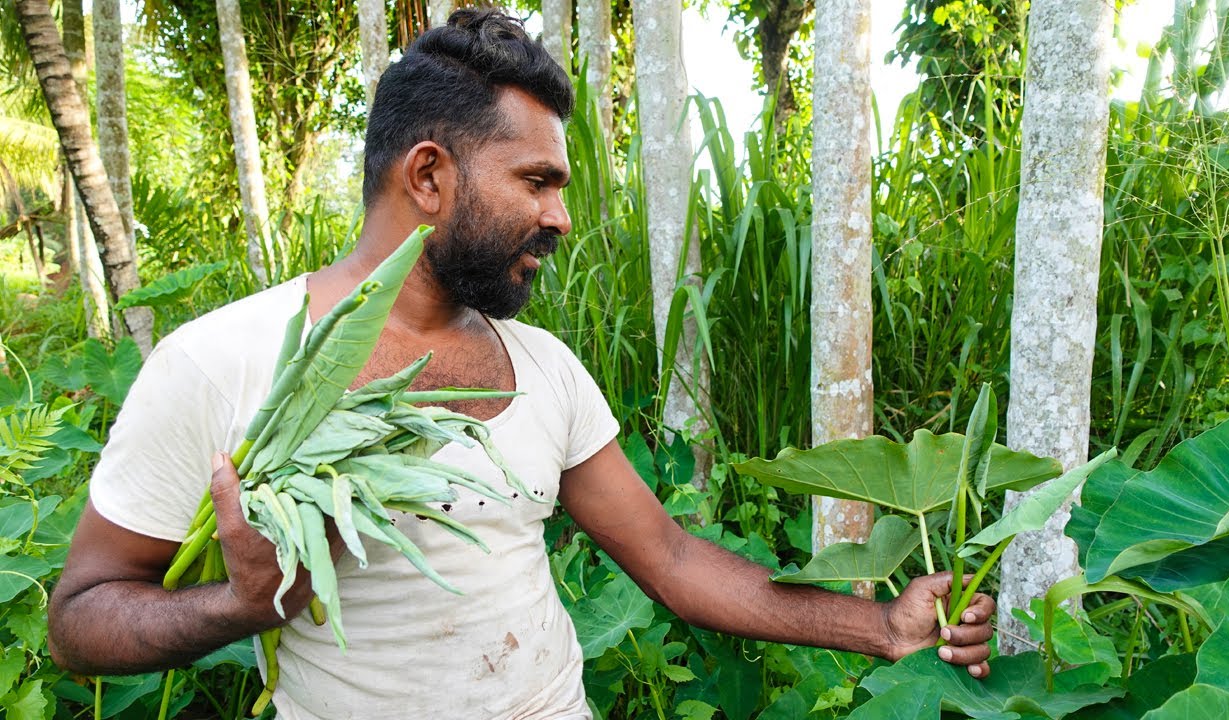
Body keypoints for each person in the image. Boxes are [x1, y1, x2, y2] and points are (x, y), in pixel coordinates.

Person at [47, 10, 994, 719]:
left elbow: (666, 558)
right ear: (428, 176)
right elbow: (80, 619)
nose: (562, 216)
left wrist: (879, 628)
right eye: (536, 181)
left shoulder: (543, 367)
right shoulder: (225, 364)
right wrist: (240, 605)